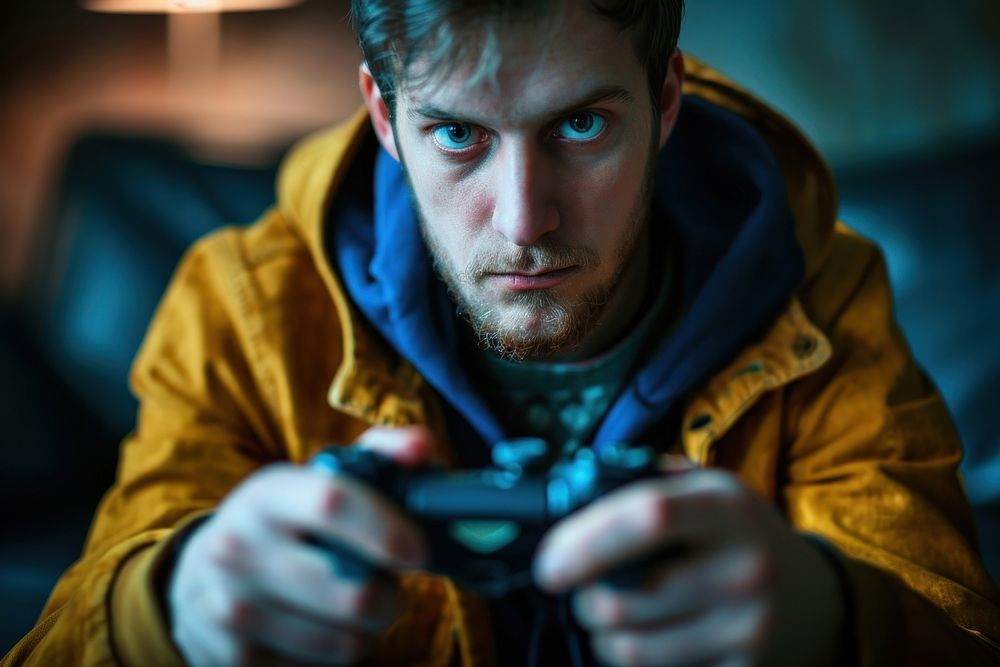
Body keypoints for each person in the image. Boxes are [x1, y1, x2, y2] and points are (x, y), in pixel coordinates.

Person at [5, 0, 1000, 665]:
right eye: (457, 135)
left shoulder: (821, 291)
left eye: (578, 128)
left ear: (662, 105)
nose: (525, 220)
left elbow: (954, 626)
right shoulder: (239, 304)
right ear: (384, 119)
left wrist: (825, 618)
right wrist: (171, 607)